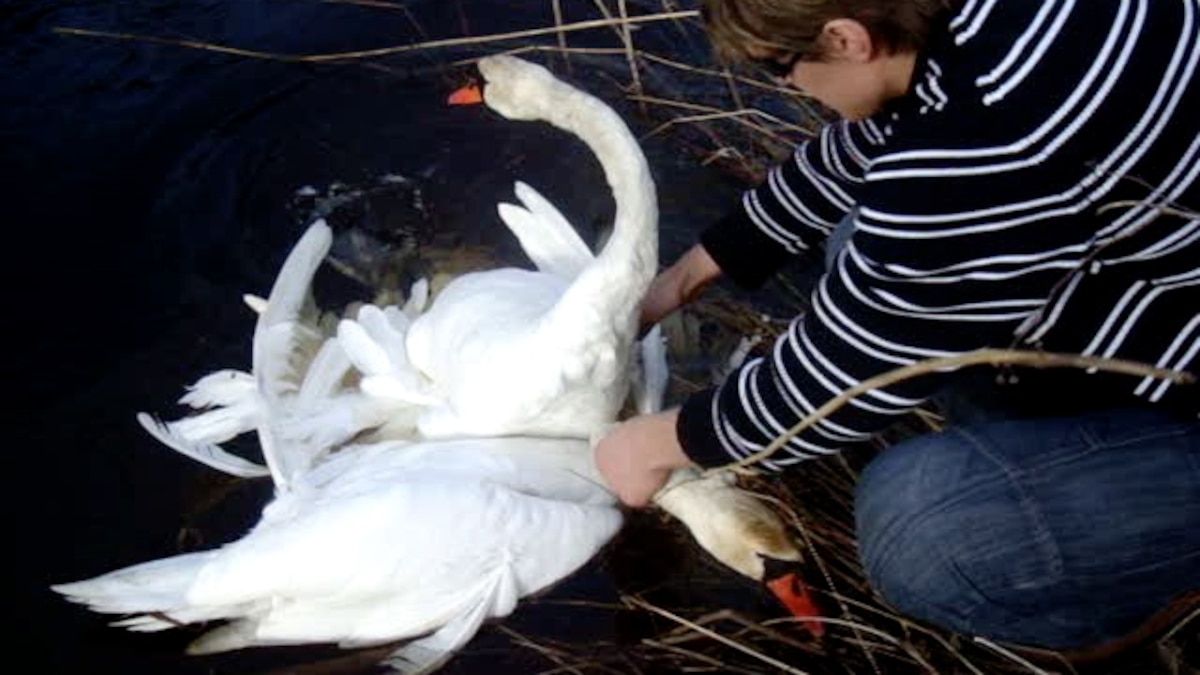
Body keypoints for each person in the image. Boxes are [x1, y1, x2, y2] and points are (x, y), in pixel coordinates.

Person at [594, 0, 1200, 658]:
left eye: (779, 68)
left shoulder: (989, 144)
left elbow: (835, 380)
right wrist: (680, 280)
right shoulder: (1001, 31)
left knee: (917, 529)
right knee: (865, 236)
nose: (787, 87)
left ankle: (1127, 596)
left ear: (847, 39)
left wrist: (651, 445)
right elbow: (881, 140)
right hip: (1174, 274)